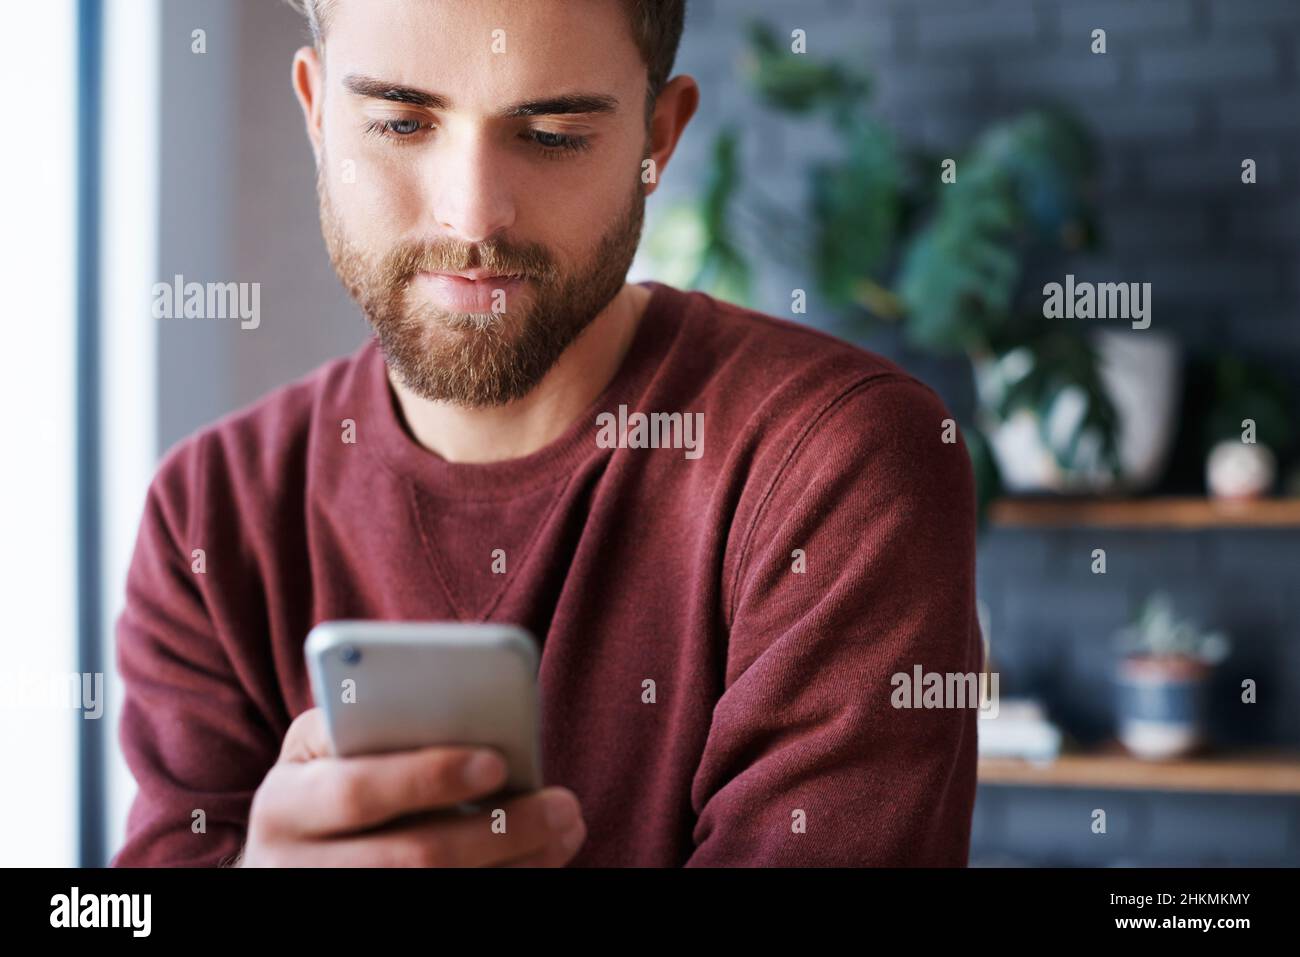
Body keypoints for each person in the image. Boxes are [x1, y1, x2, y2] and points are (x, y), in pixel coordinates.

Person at [112, 0, 982, 867]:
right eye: (401, 123)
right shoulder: (208, 511)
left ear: (657, 140)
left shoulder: (837, 463)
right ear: (316, 115)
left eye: (555, 134)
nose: (473, 216)